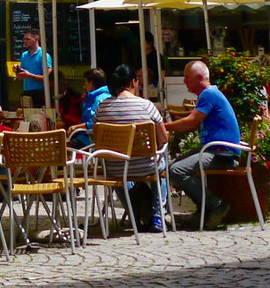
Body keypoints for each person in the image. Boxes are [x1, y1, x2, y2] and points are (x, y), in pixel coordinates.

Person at [89, 64, 166, 232]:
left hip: (115, 167)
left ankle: (134, 214)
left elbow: (97, 139)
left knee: (117, 168)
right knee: (163, 160)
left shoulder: (101, 108)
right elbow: (163, 138)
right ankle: (158, 214)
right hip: (145, 165)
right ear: (133, 82)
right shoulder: (146, 106)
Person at [162, 60, 236, 230]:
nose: (184, 81)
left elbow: (191, 122)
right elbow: (192, 120)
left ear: (200, 77)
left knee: (176, 170)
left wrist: (162, 127)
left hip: (221, 153)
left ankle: (215, 205)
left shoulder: (208, 94)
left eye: (187, 77)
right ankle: (204, 210)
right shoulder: (209, 94)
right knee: (171, 167)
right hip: (215, 150)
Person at [71, 66, 112, 147]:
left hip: (90, 141)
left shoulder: (99, 99)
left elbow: (93, 123)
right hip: (86, 137)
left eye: (86, 82)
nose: (84, 85)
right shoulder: (95, 97)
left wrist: (74, 127)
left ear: (91, 83)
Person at [17, 29, 47, 108]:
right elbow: (22, 76)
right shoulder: (24, 55)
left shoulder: (43, 55)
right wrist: (17, 71)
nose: (25, 41)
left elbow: (47, 78)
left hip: (39, 92)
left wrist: (30, 75)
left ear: (36, 39)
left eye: (28, 39)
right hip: (26, 91)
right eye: (24, 39)